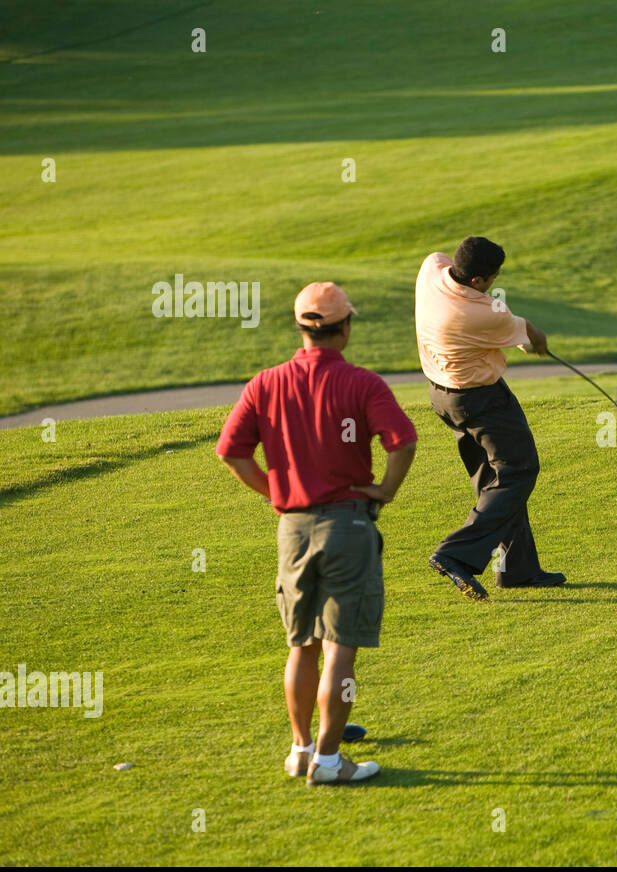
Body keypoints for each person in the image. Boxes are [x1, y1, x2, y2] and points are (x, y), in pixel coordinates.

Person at [216, 282, 417, 785]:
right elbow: (403, 442)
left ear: (302, 328)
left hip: (293, 528)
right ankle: (329, 761)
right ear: (344, 327)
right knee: (341, 646)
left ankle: (300, 749)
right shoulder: (364, 384)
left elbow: (231, 451)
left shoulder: (265, 383)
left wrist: (274, 493)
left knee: (301, 643)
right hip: (348, 523)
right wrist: (384, 491)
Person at [415, 235, 565, 602]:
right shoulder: (481, 311)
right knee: (518, 471)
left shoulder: (430, 271)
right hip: (482, 402)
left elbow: (438, 258)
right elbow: (526, 335)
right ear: (479, 280)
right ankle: (455, 553)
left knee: (492, 480)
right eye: (494, 277)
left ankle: (517, 569)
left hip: (441, 396)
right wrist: (538, 339)